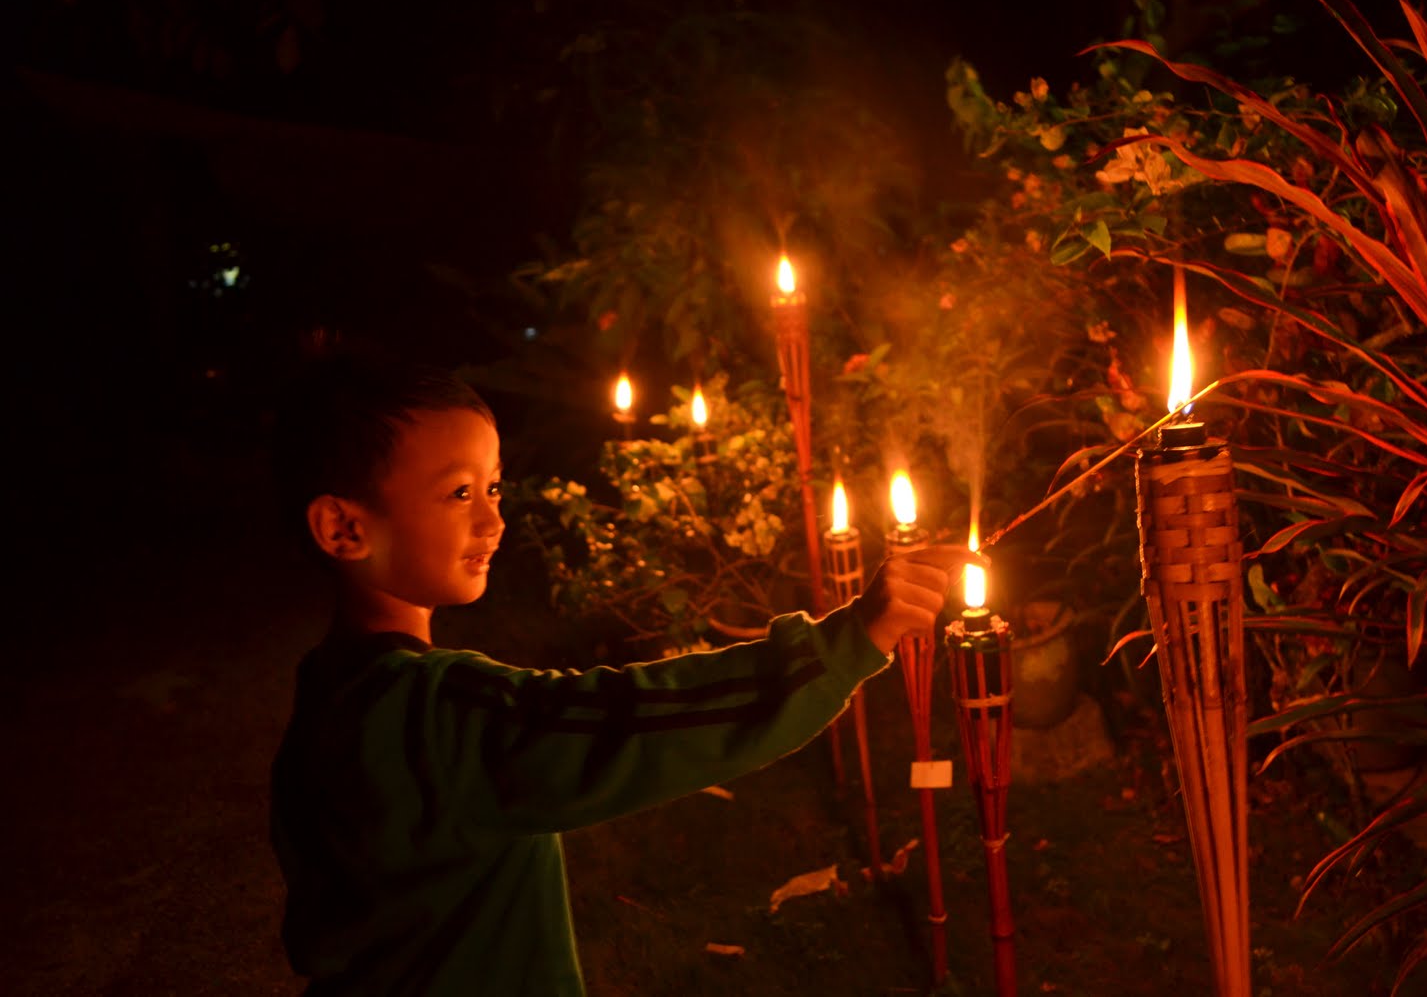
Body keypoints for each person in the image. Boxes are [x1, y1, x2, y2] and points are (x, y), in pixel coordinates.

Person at [269, 356, 981, 995]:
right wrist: (851, 640)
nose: (494, 518)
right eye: (459, 494)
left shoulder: (335, 691)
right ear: (343, 528)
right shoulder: (434, 714)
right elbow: (630, 723)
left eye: (493, 486)